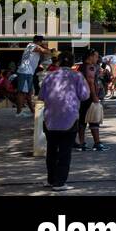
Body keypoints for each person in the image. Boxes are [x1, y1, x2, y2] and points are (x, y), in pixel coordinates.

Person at [39, 51, 89, 191]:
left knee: (51, 151)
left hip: (50, 119)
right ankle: (59, 183)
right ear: (72, 63)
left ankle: (51, 180)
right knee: (65, 152)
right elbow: (85, 95)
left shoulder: (50, 76)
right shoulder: (77, 76)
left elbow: (41, 96)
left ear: (59, 62)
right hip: (70, 118)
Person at [74, 50, 104, 152]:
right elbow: (91, 81)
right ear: (90, 56)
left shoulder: (81, 67)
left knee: (82, 121)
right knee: (94, 120)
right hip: (90, 97)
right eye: (96, 56)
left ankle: (82, 143)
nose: (97, 58)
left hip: (81, 96)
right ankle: (97, 143)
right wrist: (95, 96)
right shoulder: (90, 67)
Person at [15, 36, 45, 115]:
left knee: (29, 93)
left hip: (28, 72)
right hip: (25, 71)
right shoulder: (32, 45)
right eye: (42, 41)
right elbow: (44, 51)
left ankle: (32, 110)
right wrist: (52, 51)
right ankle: (19, 112)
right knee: (21, 92)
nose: (42, 43)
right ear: (38, 41)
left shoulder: (31, 46)